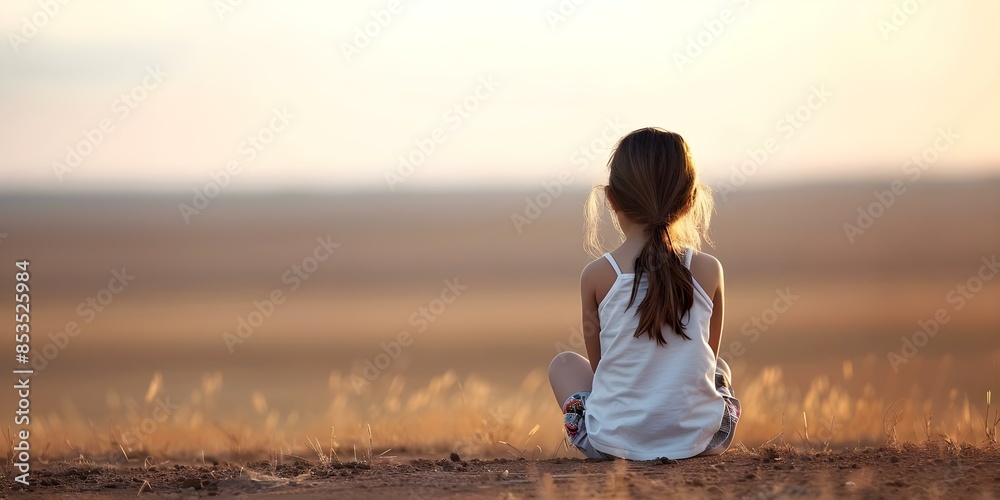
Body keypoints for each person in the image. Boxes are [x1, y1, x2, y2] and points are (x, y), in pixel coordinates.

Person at [548, 127, 740, 460]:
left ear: (611, 198)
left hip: (612, 445)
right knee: (719, 364)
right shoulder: (710, 270)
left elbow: (602, 368)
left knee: (563, 364)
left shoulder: (596, 276)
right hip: (702, 442)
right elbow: (706, 358)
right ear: (691, 199)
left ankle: (623, 430)